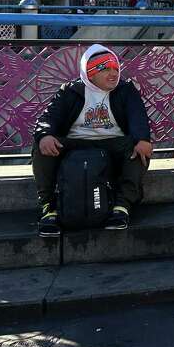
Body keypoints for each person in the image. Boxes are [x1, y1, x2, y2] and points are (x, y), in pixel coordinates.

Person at [32, 45, 153, 237]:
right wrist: (44, 134)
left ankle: (122, 208)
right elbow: (48, 118)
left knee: (137, 149)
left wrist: (143, 139)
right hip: (75, 143)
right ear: (90, 73)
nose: (113, 74)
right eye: (105, 69)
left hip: (113, 142)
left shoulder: (126, 89)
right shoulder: (70, 90)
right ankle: (49, 208)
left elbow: (137, 117)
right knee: (42, 146)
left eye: (115, 68)